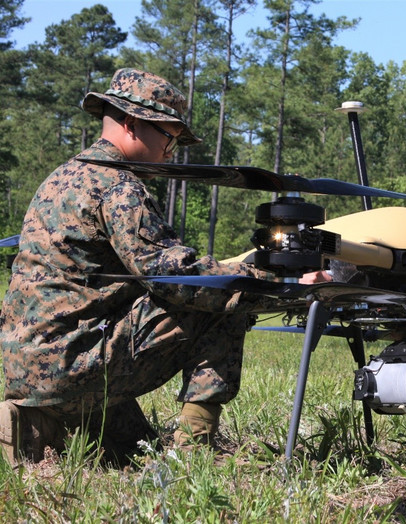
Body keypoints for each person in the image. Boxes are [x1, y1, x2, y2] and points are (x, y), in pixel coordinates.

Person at [0, 68, 299, 467]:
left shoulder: (62, 178)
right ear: (131, 122)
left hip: (28, 365)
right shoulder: (119, 188)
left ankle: (38, 418)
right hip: (74, 363)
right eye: (169, 136)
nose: (171, 151)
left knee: (135, 450)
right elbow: (176, 279)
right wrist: (276, 281)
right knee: (224, 294)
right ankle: (195, 450)